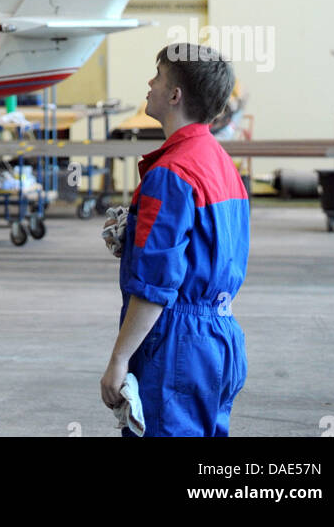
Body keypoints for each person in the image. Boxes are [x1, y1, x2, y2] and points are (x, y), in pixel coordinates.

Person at [100, 44, 249, 437]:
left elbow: (156, 286)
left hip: (176, 345)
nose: (149, 83)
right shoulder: (221, 164)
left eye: (159, 77)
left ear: (175, 95)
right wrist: (134, 238)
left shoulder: (170, 173)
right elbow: (209, 252)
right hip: (221, 338)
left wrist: (119, 359)